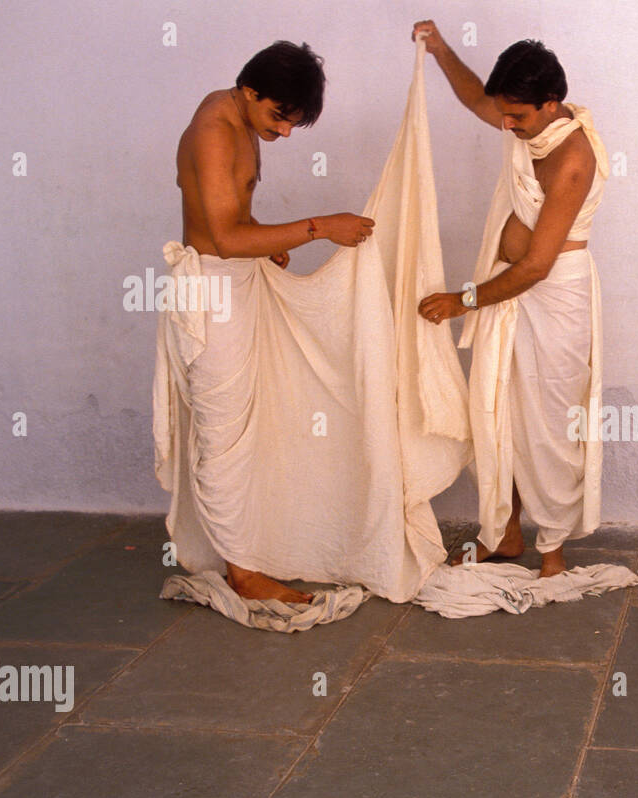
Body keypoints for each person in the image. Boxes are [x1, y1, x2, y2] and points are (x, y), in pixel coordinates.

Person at [171, 41, 375, 603]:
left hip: (235, 280)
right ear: (250, 90)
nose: (285, 133)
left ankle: (249, 547)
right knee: (224, 430)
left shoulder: (237, 114)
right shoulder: (214, 129)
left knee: (252, 422)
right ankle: (242, 572)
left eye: (294, 123)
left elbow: (235, 218)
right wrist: (320, 226)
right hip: (212, 291)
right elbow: (220, 238)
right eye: (279, 116)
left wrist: (267, 242)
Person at [412, 21, 608, 578]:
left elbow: (538, 266)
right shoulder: (523, 122)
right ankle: (505, 535)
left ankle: (553, 552)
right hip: (508, 293)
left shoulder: (571, 156)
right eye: (506, 114)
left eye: (517, 116)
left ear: (551, 104)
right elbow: (478, 99)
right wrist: (441, 49)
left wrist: (462, 300)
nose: (506, 125)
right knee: (498, 412)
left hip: (554, 297)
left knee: (549, 422)